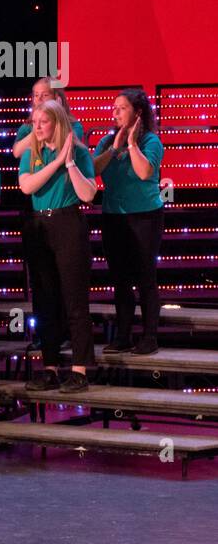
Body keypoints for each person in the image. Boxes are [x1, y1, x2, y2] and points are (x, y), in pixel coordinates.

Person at [18, 100, 98, 393]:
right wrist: (54, 163)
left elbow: (88, 194)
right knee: (45, 298)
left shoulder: (78, 152)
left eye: (43, 122)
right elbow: (28, 187)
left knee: (74, 298)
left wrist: (70, 164)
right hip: (39, 225)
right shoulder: (31, 154)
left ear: (58, 123)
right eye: (34, 121)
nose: (36, 127)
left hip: (68, 222)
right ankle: (49, 366)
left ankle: (79, 368)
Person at [12, 78, 84, 354]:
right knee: (41, 281)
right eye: (36, 96)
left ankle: (65, 332)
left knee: (65, 279)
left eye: (46, 95)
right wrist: (39, 128)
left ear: (58, 98)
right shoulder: (28, 129)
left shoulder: (72, 124)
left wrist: (54, 123)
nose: (39, 99)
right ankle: (46, 335)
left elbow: (72, 145)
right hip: (34, 210)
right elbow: (19, 150)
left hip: (63, 209)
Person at [93, 88, 165, 356]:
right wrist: (115, 147)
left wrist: (132, 143)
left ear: (138, 112)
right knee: (120, 278)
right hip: (114, 217)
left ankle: (149, 337)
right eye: (114, 108)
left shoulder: (151, 142)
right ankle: (123, 336)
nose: (115, 113)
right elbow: (94, 169)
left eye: (121, 108)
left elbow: (145, 172)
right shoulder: (107, 141)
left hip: (144, 216)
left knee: (145, 276)